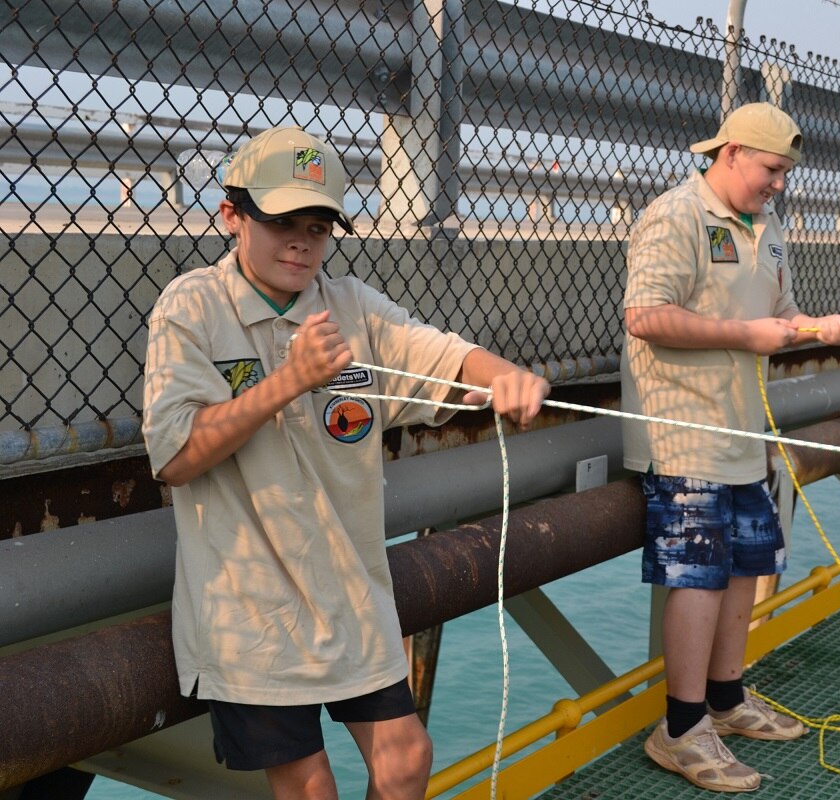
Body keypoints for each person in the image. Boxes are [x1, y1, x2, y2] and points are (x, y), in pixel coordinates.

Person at [141, 125, 549, 800]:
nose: (302, 242)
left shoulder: (352, 306)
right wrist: (288, 380)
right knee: (310, 787)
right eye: (280, 222)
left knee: (407, 760)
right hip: (250, 612)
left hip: (353, 601)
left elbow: (442, 353)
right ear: (231, 216)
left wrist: (508, 376)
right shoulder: (191, 307)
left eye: (319, 225)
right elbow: (176, 456)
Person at [621, 103, 840, 792]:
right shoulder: (676, 217)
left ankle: (726, 702)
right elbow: (646, 315)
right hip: (682, 429)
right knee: (696, 576)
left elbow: (779, 317)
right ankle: (680, 727)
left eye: (785, 172)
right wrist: (746, 336)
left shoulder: (769, 226)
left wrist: (819, 328)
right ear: (729, 154)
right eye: (771, 169)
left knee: (749, 561)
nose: (779, 184)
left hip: (741, 432)